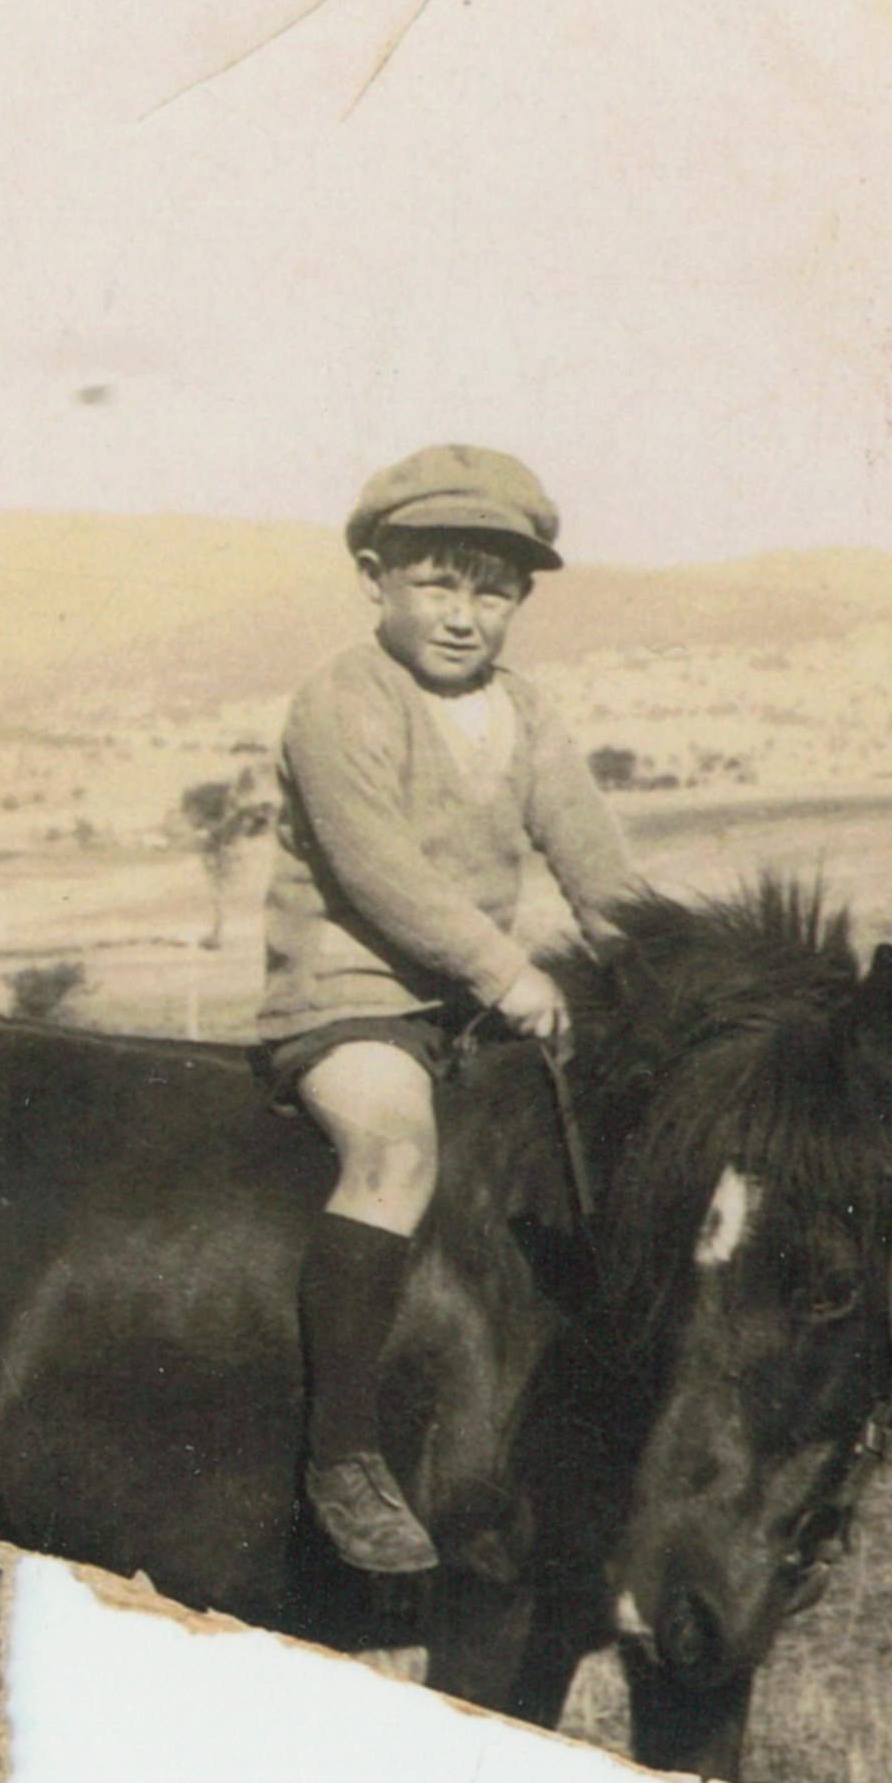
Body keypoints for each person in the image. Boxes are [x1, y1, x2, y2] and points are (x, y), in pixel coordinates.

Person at [253, 444, 646, 1573]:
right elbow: (379, 871)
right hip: (354, 995)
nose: (466, 615)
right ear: (375, 576)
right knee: (394, 1152)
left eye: (494, 588)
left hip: (470, 1008)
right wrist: (515, 974)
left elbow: (595, 860)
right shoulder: (340, 701)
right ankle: (340, 1455)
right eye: (437, 581)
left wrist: (655, 978)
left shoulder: (527, 712)